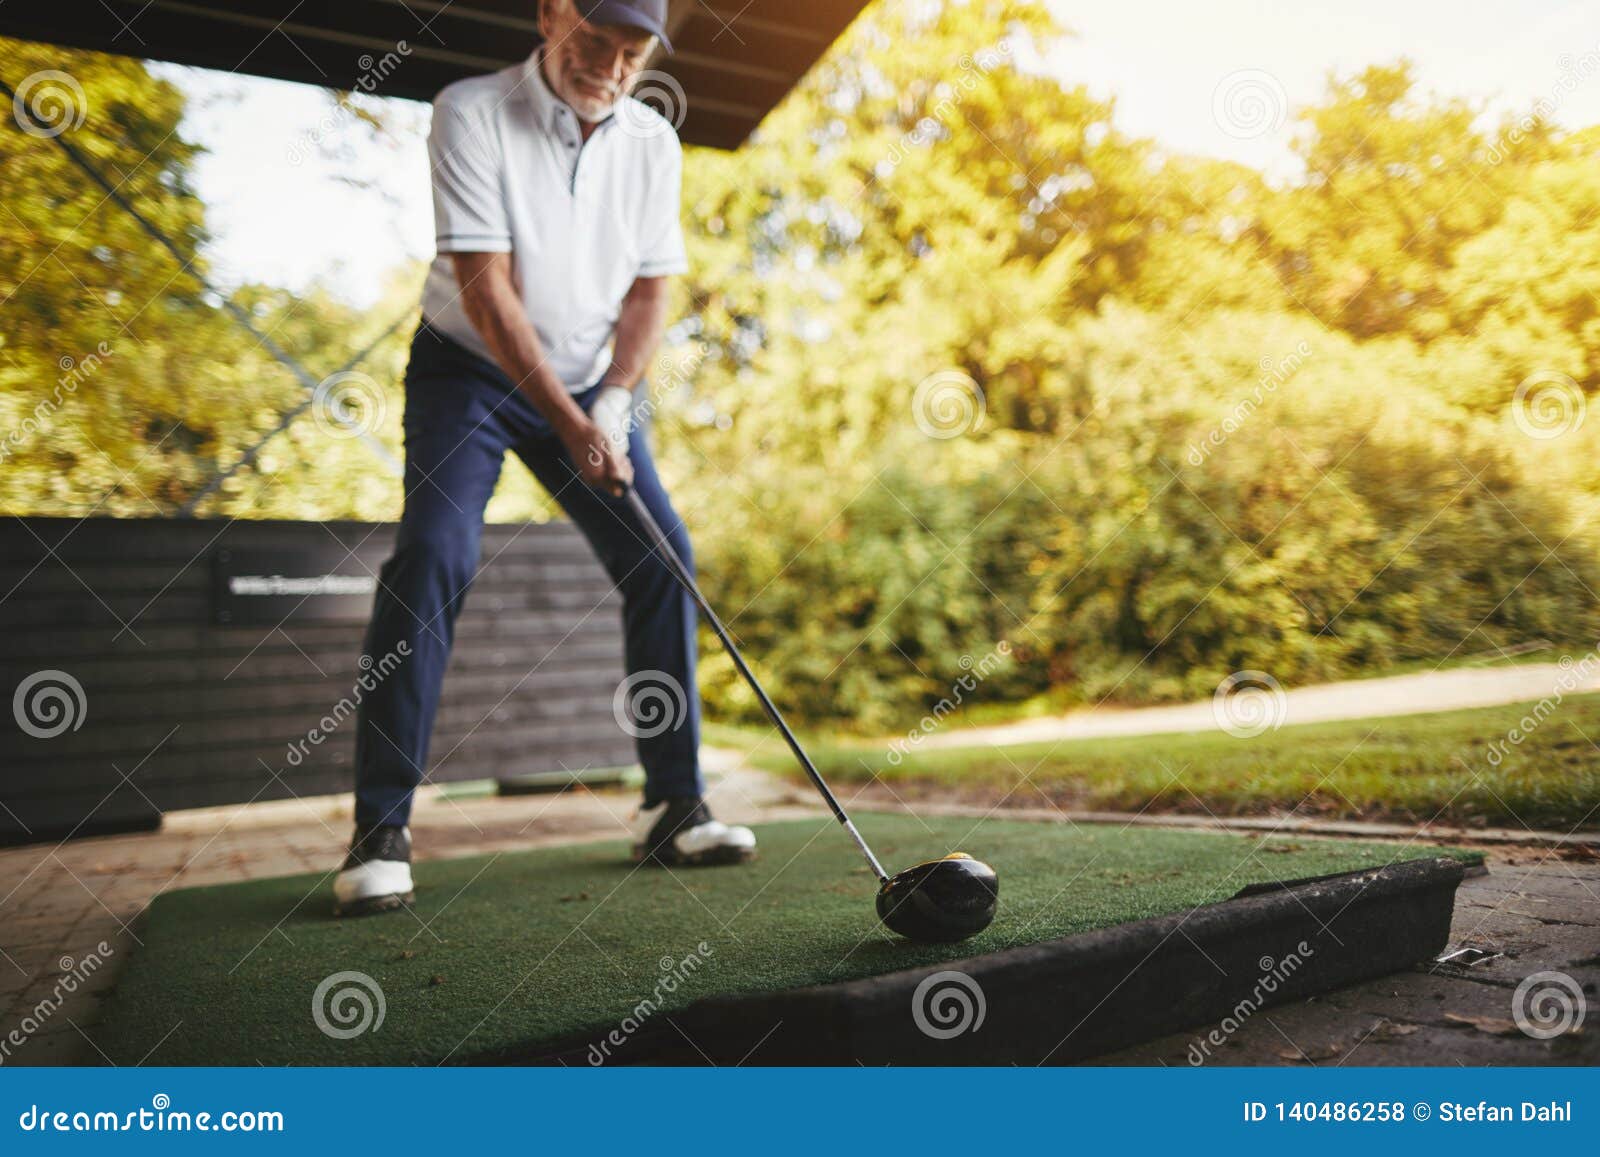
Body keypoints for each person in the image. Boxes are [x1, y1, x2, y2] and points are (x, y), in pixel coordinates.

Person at [332, 0, 755, 917]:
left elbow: (650, 290)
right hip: (468, 376)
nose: (610, 67)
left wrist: (611, 401)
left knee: (662, 560)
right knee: (433, 555)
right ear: (551, 13)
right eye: (595, 40)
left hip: (590, 386)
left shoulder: (653, 143)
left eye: (632, 53)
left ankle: (673, 806)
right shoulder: (470, 111)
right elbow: (487, 290)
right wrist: (568, 420)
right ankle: (380, 830)